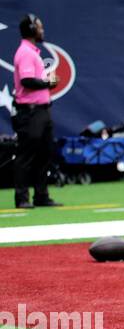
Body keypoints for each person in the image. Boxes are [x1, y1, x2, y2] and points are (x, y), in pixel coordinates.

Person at [11, 14, 61, 209]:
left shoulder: (32, 52)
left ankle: (41, 195)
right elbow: (26, 81)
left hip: (41, 109)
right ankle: (22, 197)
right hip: (30, 112)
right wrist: (47, 83)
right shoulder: (25, 52)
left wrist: (47, 84)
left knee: (44, 153)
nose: (42, 30)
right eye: (39, 27)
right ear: (31, 29)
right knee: (26, 155)